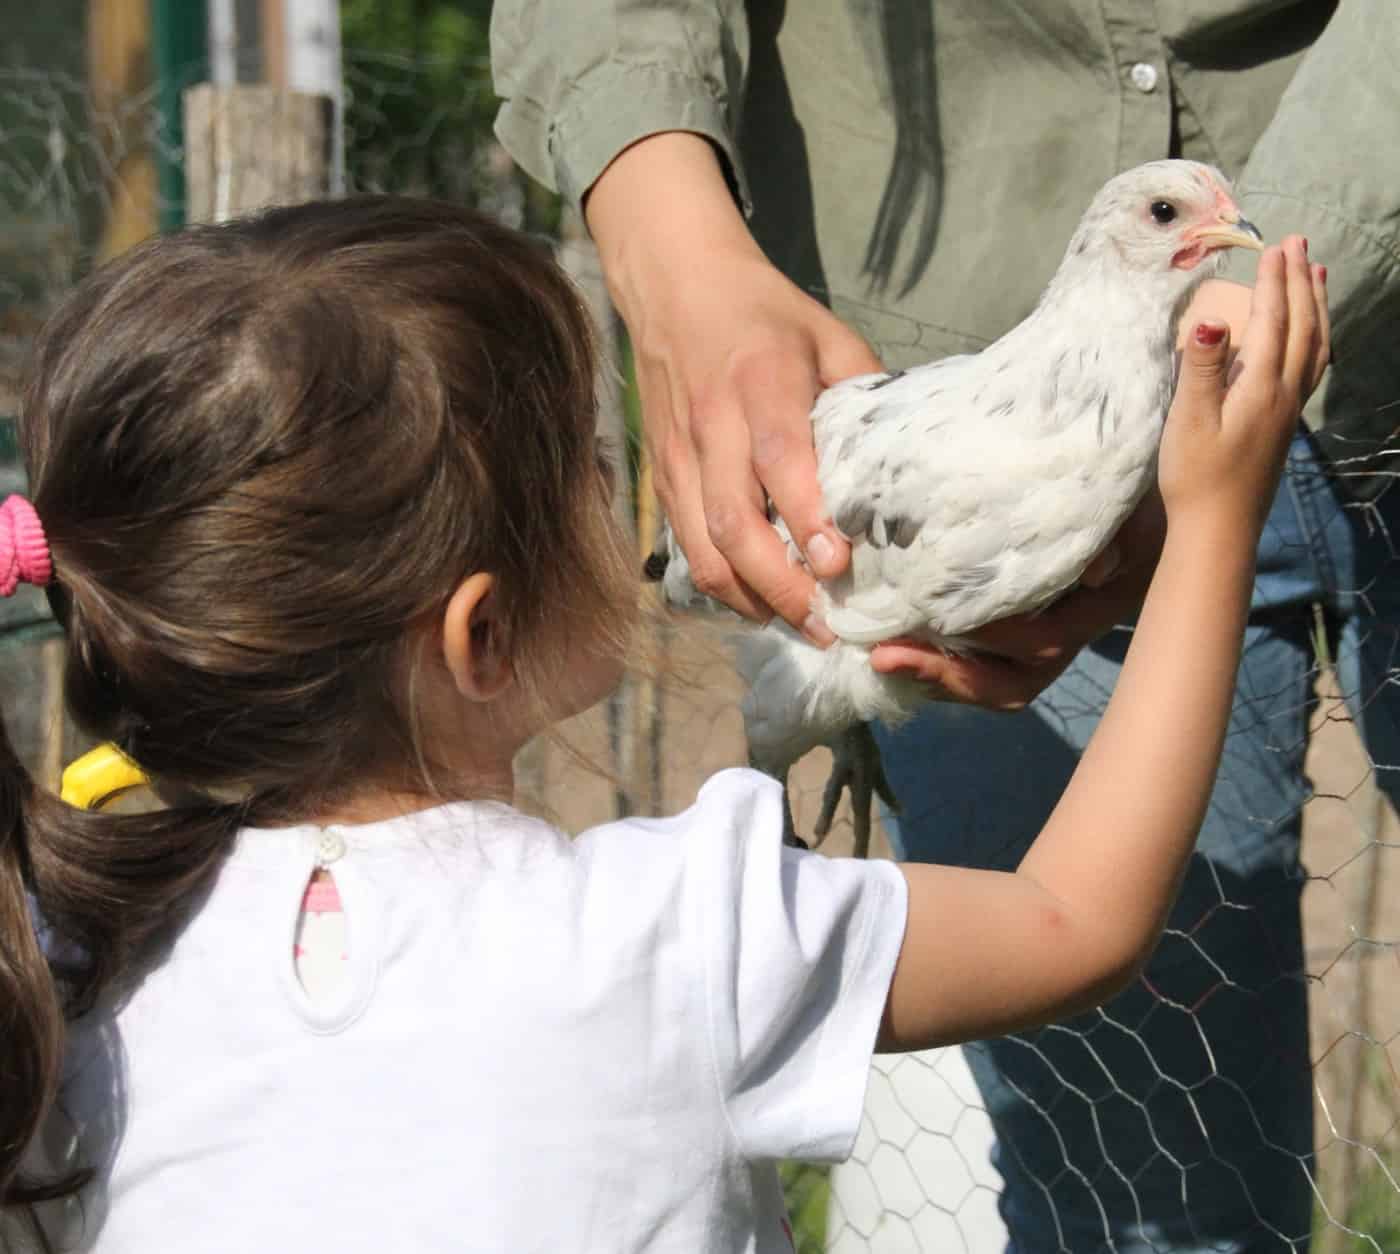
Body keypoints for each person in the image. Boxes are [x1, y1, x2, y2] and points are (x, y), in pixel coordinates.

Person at [0, 196, 1324, 1251]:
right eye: (589, 468)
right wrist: (1214, 515)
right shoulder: (678, 939)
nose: (630, 490)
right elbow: (1072, 922)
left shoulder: (73, 962)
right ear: (481, 637)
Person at [490, 0, 1400, 1248]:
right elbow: (1066, 928)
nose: (1204, 227)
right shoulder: (997, 468)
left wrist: (1254, 313)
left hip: (1321, 350)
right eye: (1164, 217)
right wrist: (675, 249)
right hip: (943, 363)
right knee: (1135, 1183)